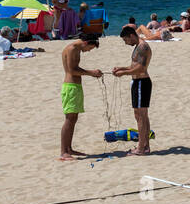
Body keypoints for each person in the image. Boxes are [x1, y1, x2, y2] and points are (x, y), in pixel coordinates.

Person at [59, 32, 103, 160]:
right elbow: (72, 70)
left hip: (75, 87)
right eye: (90, 48)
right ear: (85, 43)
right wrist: (92, 73)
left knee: (73, 119)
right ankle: (63, 152)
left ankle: (69, 148)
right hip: (70, 87)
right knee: (69, 119)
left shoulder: (77, 48)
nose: (88, 51)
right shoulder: (73, 49)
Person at [113, 25, 154, 156]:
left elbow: (141, 68)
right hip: (137, 82)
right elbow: (134, 65)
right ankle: (145, 145)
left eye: (126, 40)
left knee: (141, 116)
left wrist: (124, 74)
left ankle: (141, 148)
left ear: (131, 36)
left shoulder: (143, 46)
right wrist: (122, 68)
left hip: (142, 82)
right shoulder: (138, 46)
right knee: (139, 115)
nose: (126, 43)